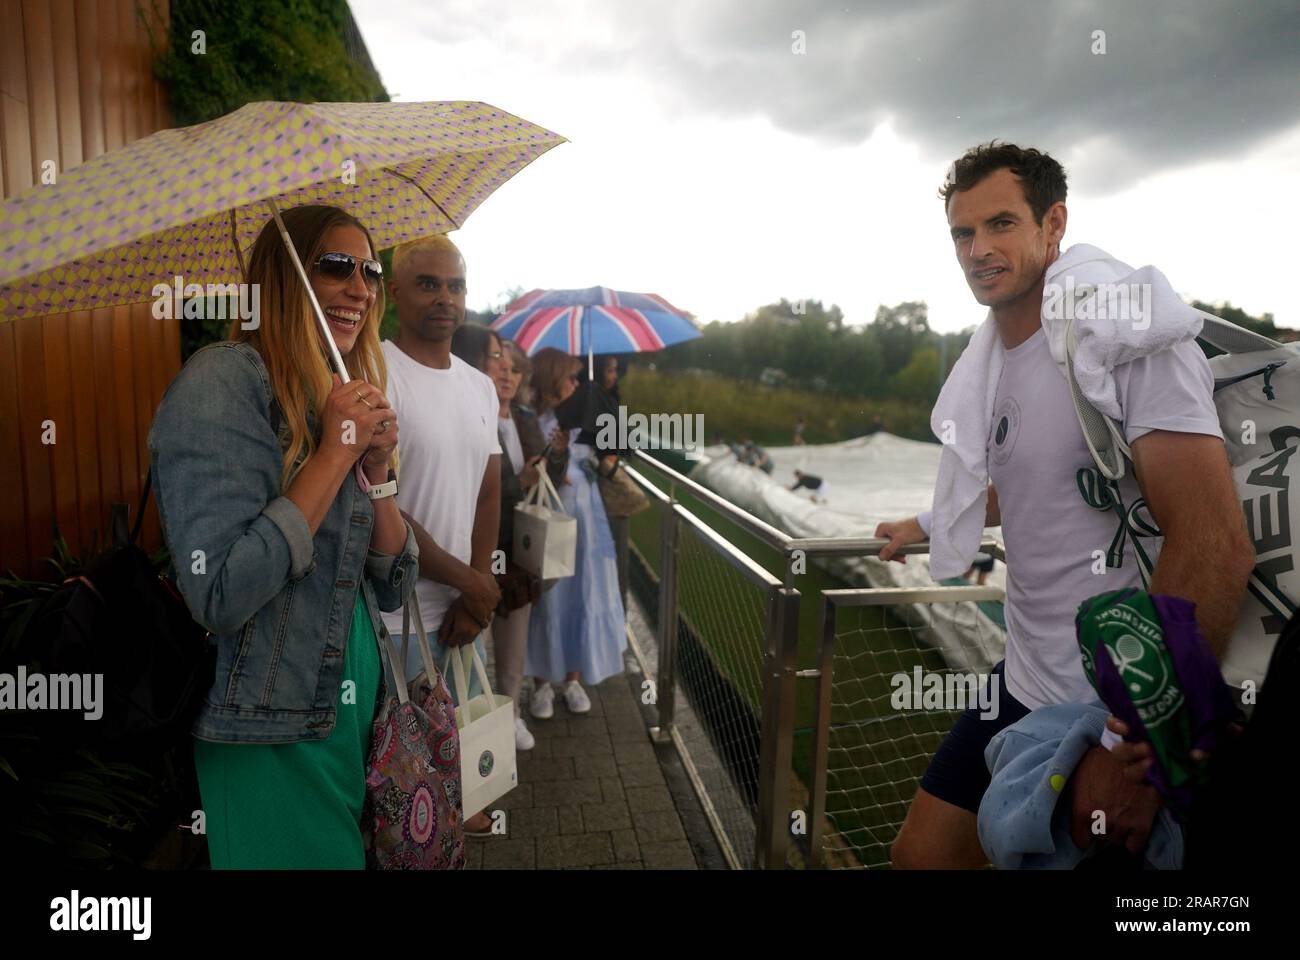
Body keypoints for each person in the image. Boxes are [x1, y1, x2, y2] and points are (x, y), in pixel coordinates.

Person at [874, 142, 1253, 869]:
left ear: (1054, 224)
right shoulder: (992, 363)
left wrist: (1128, 745)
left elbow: (1212, 541)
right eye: (962, 232)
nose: (978, 249)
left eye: (1001, 224)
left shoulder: (1122, 338)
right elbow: (1029, 482)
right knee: (920, 859)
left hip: (1106, 702)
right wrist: (926, 524)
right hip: (1023, 675)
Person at [149, 205, 418, 869]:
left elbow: (393, 583)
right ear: (283, 276)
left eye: (371, 270)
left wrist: (376, 471)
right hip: (269, 721)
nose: (361, 288)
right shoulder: (223, 380)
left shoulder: (328, 392)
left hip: (352, 705)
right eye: (336, 266)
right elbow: (219, 591)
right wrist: (333, 454)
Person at [381, 235, 503, 837]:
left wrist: (473, 595)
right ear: (395, 290)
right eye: (428, 284)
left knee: (461, 790)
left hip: (459, 616)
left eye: (455, 286)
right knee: (399, 796)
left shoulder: (479, 385)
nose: (445, 298)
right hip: (394, 619)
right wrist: (474, 584)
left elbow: (488, 491)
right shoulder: (374, 371)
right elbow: (383, 505)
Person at [453, 329, 549, 752]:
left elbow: (542, 473)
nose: (504, 373)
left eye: (511, 367)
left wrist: (552, 461)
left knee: (514, 637)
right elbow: (481, 488)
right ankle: (476, 731)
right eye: (497, 362)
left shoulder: (525, 419)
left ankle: (510, 714)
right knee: (475, 643)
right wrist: (522, 481)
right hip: (480, 547)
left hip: (518, 545)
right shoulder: (470, 413)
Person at [526, 348, 628, 718]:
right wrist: (552, 462)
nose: (577, 383)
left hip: (586, 513)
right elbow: (527, 464)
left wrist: (605, 456)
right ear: (553, 377)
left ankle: (572, 678)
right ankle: (540, 684)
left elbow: (613, 454)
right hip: (549, 515)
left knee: (583, 591)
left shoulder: (588, 415)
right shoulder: (534, 417)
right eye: (570, 377)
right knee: (549, 596)